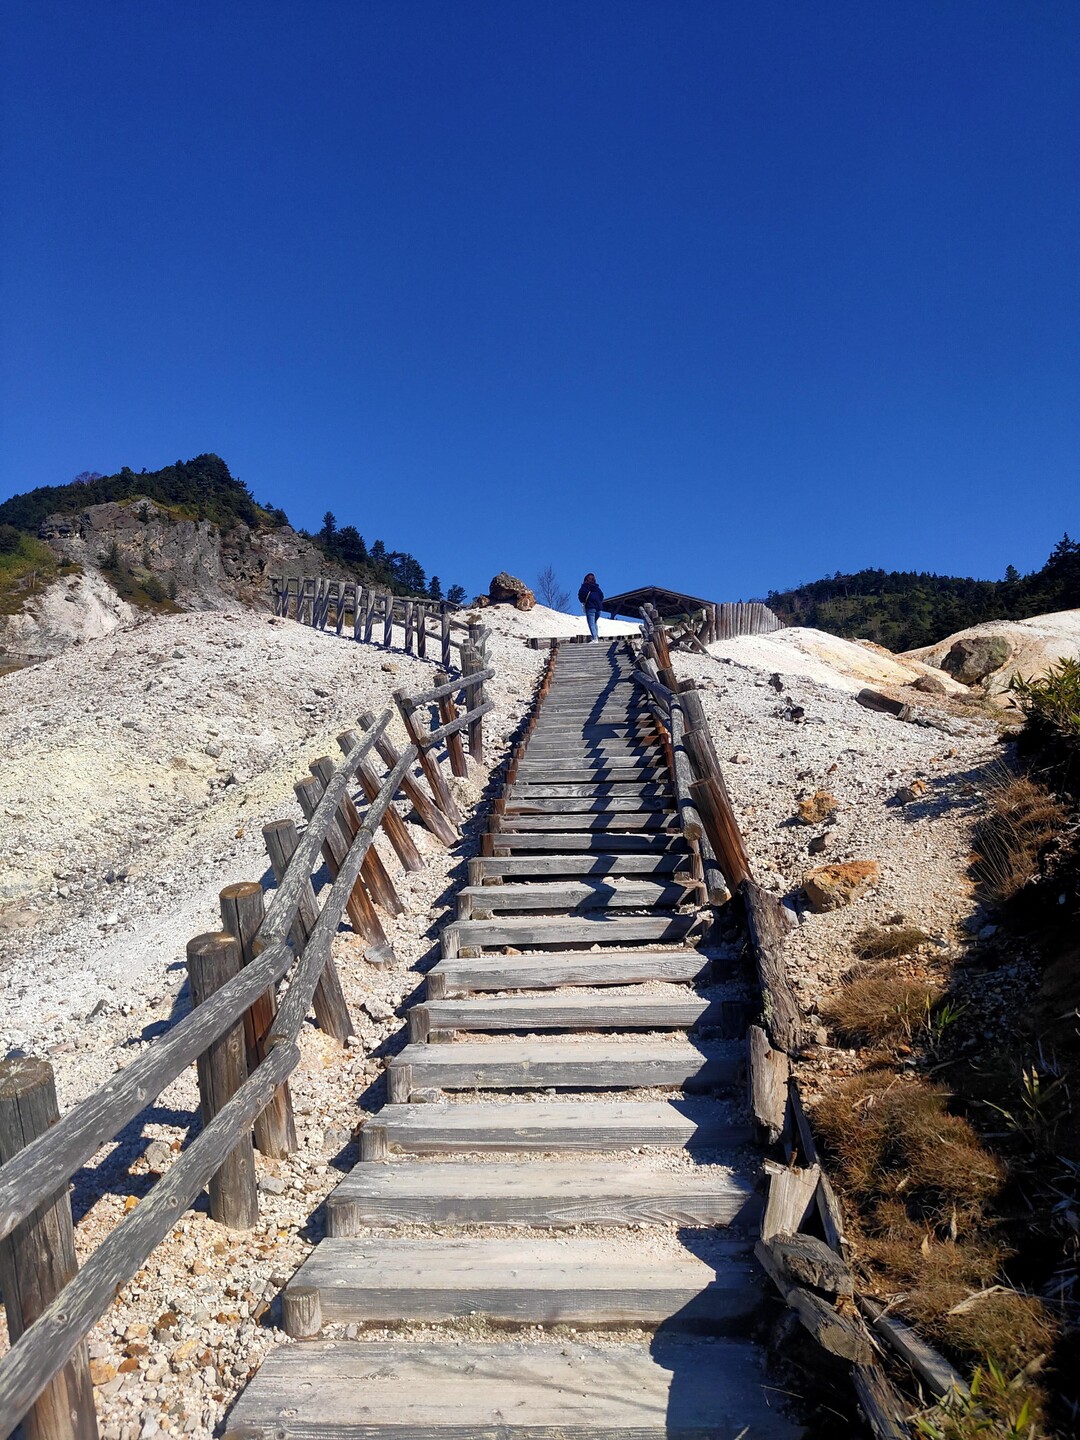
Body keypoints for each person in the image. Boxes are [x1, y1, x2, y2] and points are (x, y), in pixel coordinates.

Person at [578, 573, 604, 641]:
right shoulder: (597, 588)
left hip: (590, 607)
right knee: (594, 622)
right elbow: (601, 596)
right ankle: (596, 637)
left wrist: (585, 601)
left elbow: (581, 597)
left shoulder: (584, 587)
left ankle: (595, 638)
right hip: (599, 608)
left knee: (591, 623)